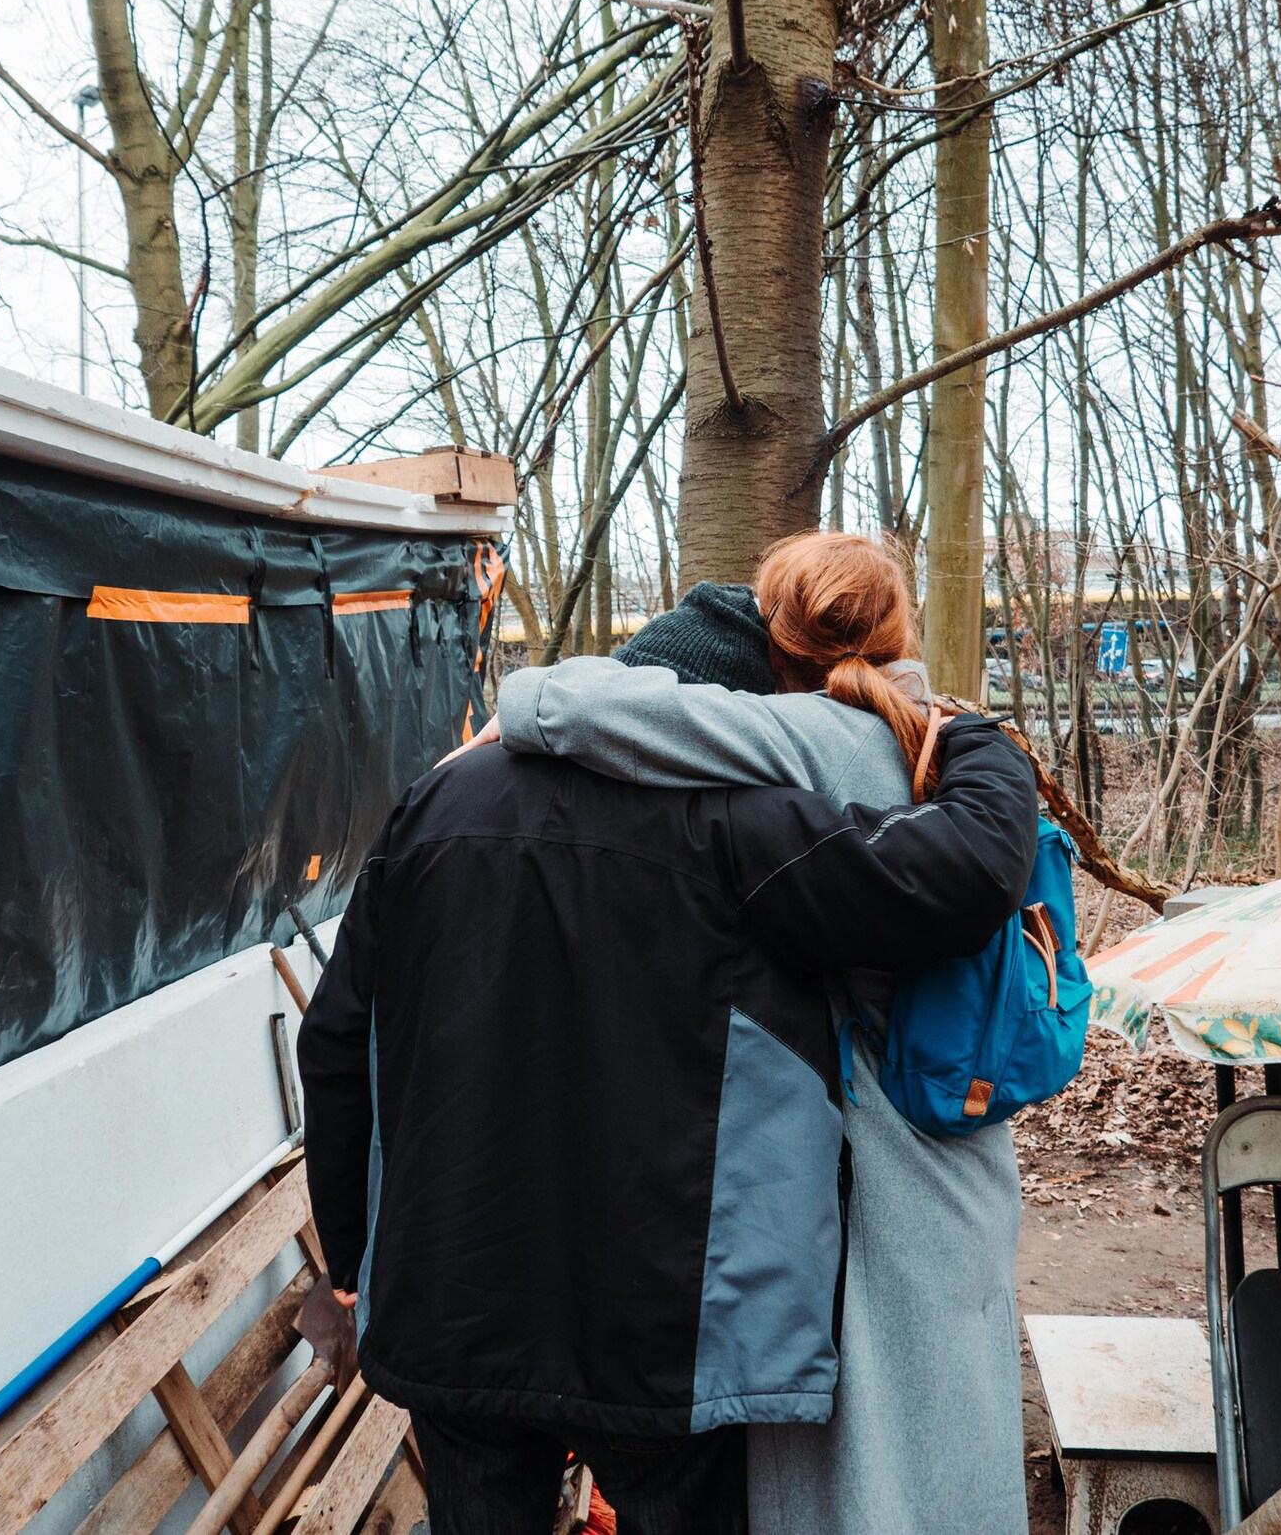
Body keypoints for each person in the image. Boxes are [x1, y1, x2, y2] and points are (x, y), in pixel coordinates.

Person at [298, 586, 1040, 1535]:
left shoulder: (437, 799)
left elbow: (333, 1040)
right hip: (662, 1322)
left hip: (452, 1297)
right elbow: (961, 878)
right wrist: (968, 736)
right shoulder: (738, 823)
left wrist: (355, 1256)